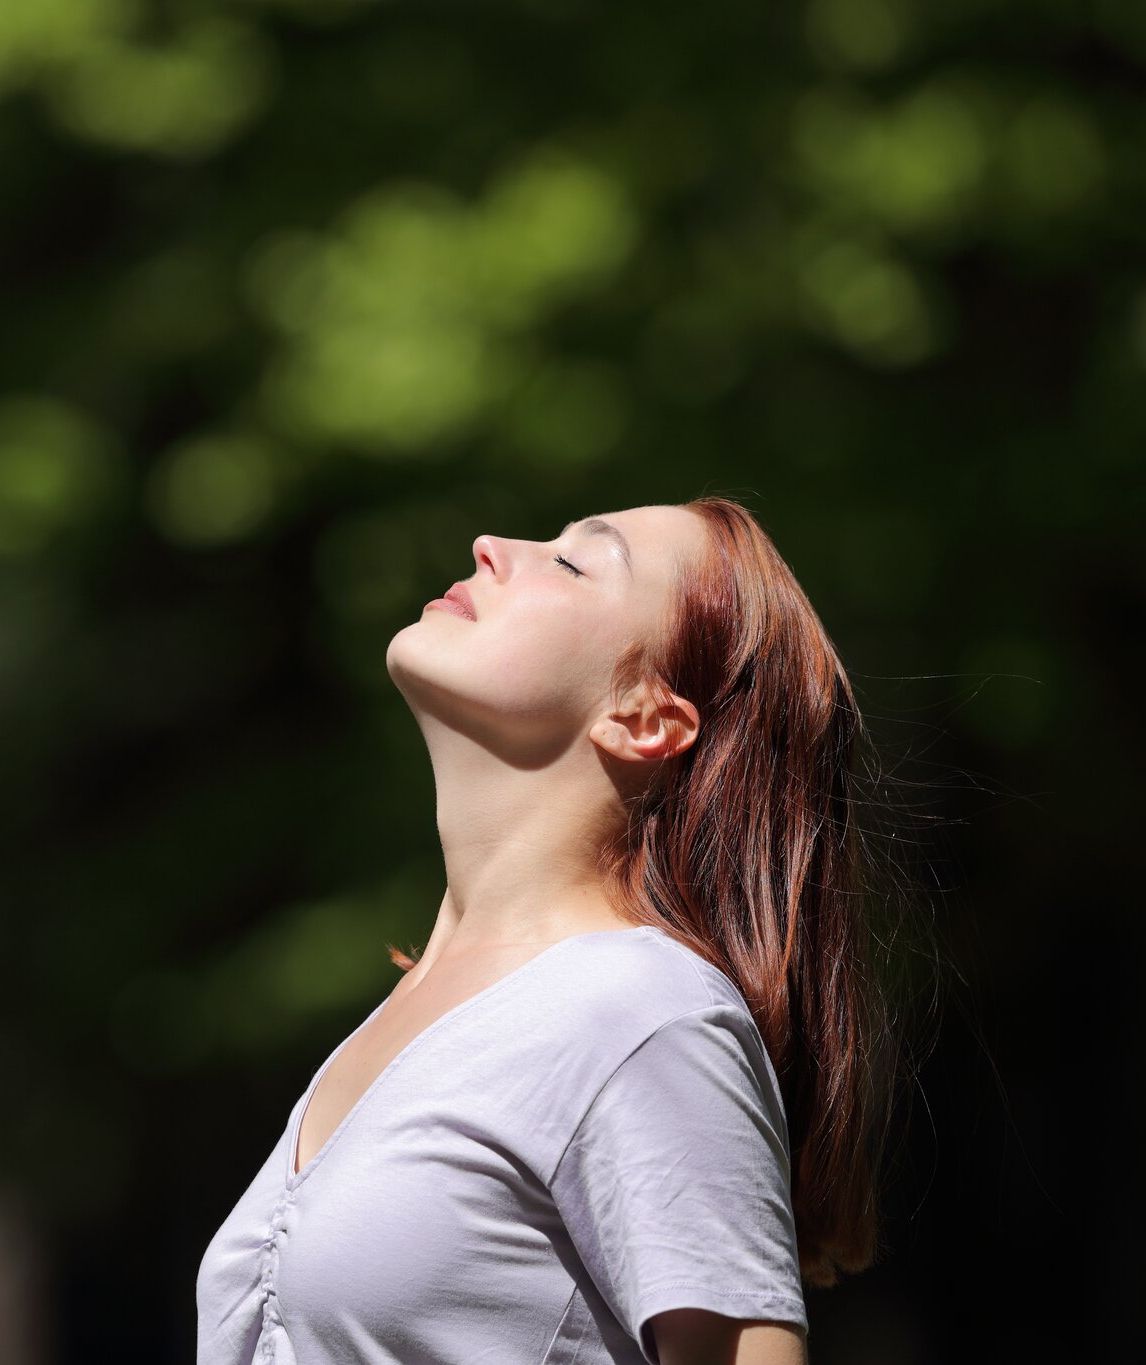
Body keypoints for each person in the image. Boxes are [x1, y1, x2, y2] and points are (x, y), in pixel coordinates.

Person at [196, 499, 907, 1365]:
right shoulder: (404, 1009)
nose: (489, 545)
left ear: (645, 716)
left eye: (575, 563)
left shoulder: (642, 1014)